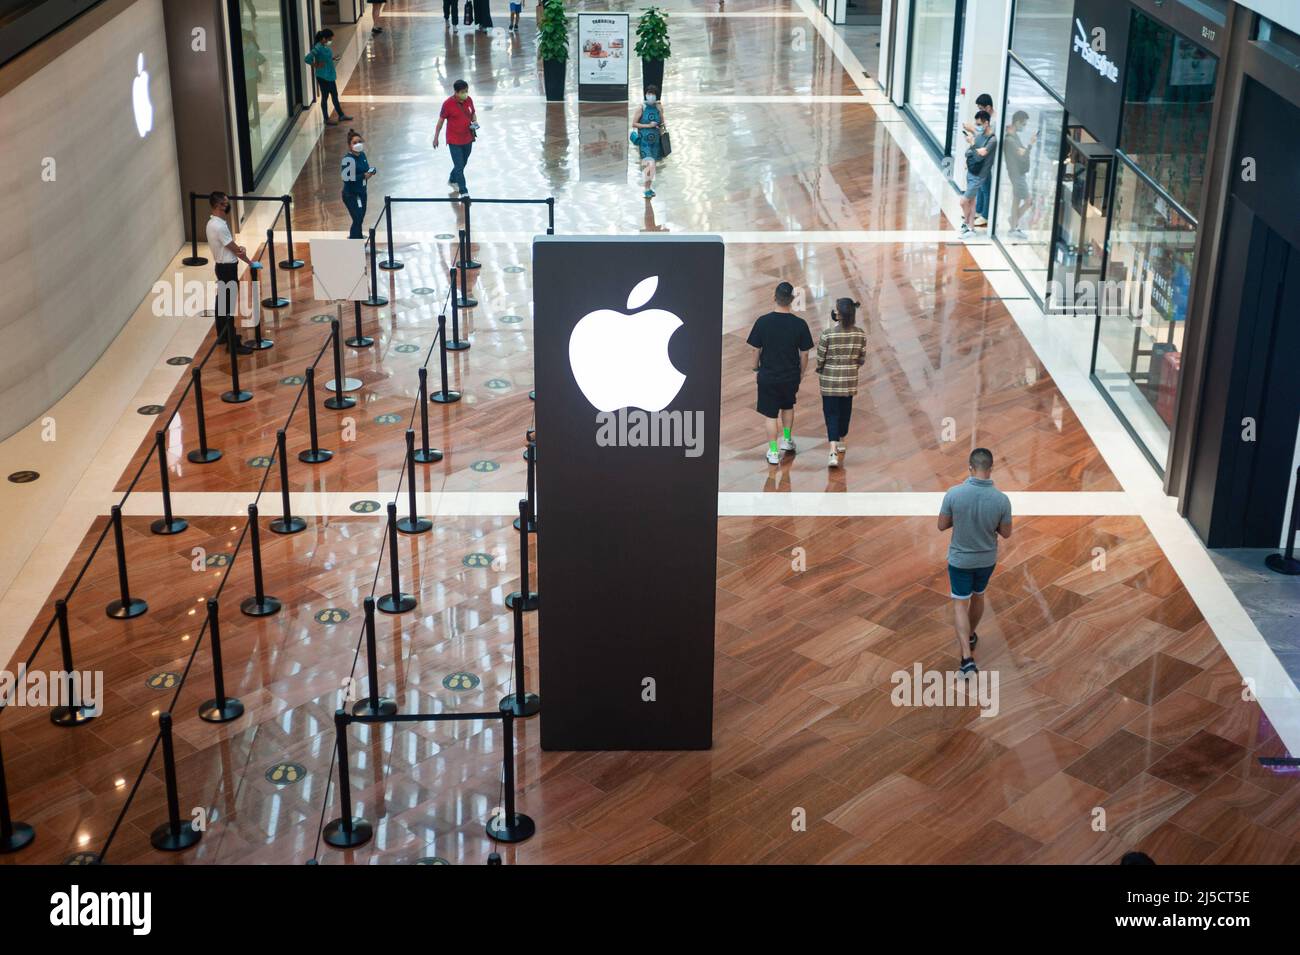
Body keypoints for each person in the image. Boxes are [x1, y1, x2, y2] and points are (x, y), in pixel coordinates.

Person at [937, 448, 1012, 677]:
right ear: (991, 469)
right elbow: (1006, 533)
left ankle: (966, 659)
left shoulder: (954, 494)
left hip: (960, 560)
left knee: (960, 603)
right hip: (986, 559)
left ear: (970, 467)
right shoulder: (1002, 500)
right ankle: (970, 635)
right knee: (978, 595)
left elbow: (941, 525)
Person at [746, 282, 813, 465]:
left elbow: (755, 349)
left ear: (774, 297)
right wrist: (801, 372)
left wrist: (755, 368)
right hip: (790, 376)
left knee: (771, 415)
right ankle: (787, 440)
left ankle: (774, 451)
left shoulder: (763, 321)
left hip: (768, 376)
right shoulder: (799, 324)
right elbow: (805, 352)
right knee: (788, 407)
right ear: (792, 300)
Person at [815, 298, 867, 468]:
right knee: (845, 412)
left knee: (831, 415)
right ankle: (842, 439)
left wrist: (822, 370)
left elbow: (820, 359)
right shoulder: (860, 334)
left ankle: (832, 451)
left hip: (829, 382)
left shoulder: (827, 334)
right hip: (849, 382)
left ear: (839, 314)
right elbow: (861, 359)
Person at [205, 192, 254, 355]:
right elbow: (234, 248)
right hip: (227, 269)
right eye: (225, 203)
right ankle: (232, 344)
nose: (227, 206)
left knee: (221, 303)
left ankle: (223, 335)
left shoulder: (211, 223)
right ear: (217, 206)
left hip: (220, 267)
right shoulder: (220, 226)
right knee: (228, 306)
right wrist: (250, 262)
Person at [434, 79, 478, 197]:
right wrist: (436, 137)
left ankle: (452, 179)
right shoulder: (447, 104)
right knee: (459, 166)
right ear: (456, 92)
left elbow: (472, 112)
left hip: (468, 138)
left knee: (463, 162)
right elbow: (441, 121)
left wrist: (475, 121)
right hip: (454, 140)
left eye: (467, 91)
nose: (466, 93)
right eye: (463, 91)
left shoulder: (469, 100)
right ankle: (464, 191)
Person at [959, 110, 996, 240]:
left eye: (979, 124)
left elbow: (981, 156)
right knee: (972, 202)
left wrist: (972, 144)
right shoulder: (980, 135)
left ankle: (965, 224)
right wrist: (974, 148)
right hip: (971, 171)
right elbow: (971, 152)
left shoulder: (992, 140)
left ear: (986, 123)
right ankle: (971, 228)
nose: (977, 126)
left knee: (963, 201)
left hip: (979, 175)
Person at [305, 30, 352, 126]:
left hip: (329, 75)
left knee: (334, 95)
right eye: (330, 38)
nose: (331, 40)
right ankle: (326, 119)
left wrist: (332, 59)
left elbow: (324, 58)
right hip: (323, 77)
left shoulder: (323, 46)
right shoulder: (317, 48)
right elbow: (307, 59)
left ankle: (341, 115)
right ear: (323, 39)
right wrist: (316, 65)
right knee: (325, 97)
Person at [1002, 110, 1035, 240]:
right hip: (1017, 175)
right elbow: (1022, 155)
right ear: (1017, 122)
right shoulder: (1011, 139)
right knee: (1028, 201)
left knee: (1016, 200)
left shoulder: (1013, 136)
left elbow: (1022, 153)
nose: (1024, 127)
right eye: (1024, 124)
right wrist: (1030, 145)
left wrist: (1024, 151)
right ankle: (1013, 222)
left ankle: (1013, 226)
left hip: (1016, 173)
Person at [341, 129, 376, 239]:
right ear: (349, 145)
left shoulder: (362, 155)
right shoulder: (348, 159)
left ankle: (358, 236)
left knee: (360, 217)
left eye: (359, 142)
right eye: (355, 143)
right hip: (351, 194)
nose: (358, 144)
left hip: (362, 192)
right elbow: (347, 179)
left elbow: (365, 169)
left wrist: (371, 171)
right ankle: (354, 238)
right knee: (357, 217)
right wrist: (363, 176)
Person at [632, 84, 666, 199]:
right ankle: (646, 188)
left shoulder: (658, 107)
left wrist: (661, 119)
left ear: (657, 96)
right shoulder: (641, 107)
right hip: (644, 142)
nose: (650, 96)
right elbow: (634, 124)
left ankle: (648, 187)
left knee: (653, 166)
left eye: (653, 94)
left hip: (655, 142)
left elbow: (662, 122)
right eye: (648, 93)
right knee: (650, 164)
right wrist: (648, 125)